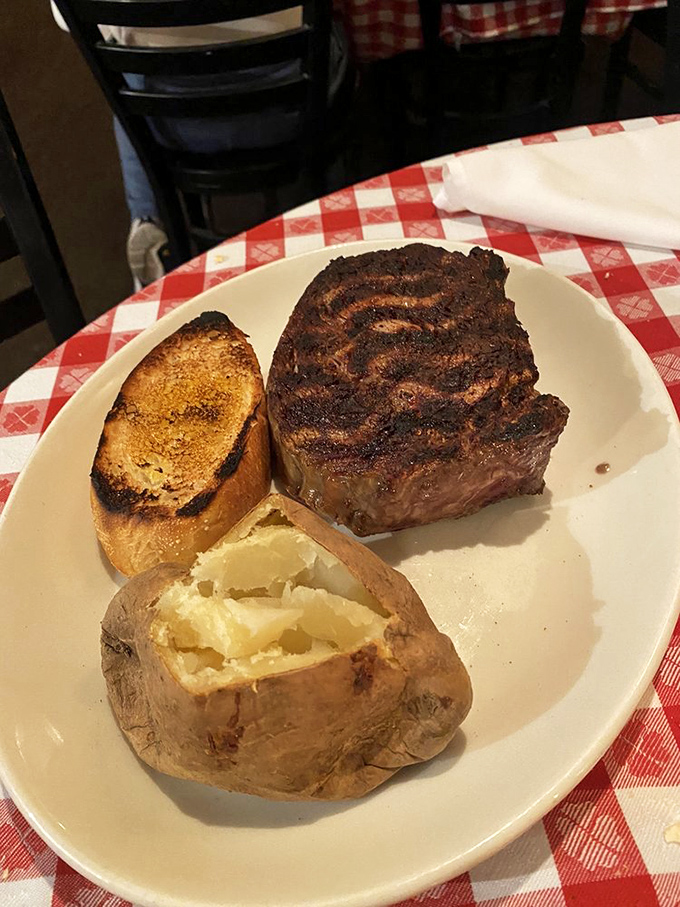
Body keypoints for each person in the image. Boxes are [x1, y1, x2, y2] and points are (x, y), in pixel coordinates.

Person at [51, 3, 348, 289]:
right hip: (288, 118)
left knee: (129, 75)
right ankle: (341, 196)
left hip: (171, 127)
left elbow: (67, 19)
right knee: (333, 38)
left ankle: (150, 219)